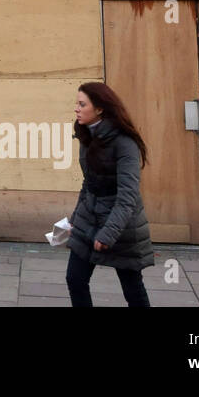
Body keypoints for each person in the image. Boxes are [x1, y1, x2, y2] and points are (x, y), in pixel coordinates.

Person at [66, 81, 154, 307]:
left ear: (100, 108)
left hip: (121, 224)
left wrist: (108, 233)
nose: (76, 108)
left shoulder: (125, 143)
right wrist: (75, 219)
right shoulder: (86, 136)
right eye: (77, 103)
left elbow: (128, 196)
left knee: (132, 290)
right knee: (75, 279)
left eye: (82, 104)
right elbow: (89, 183)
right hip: (89, 218)